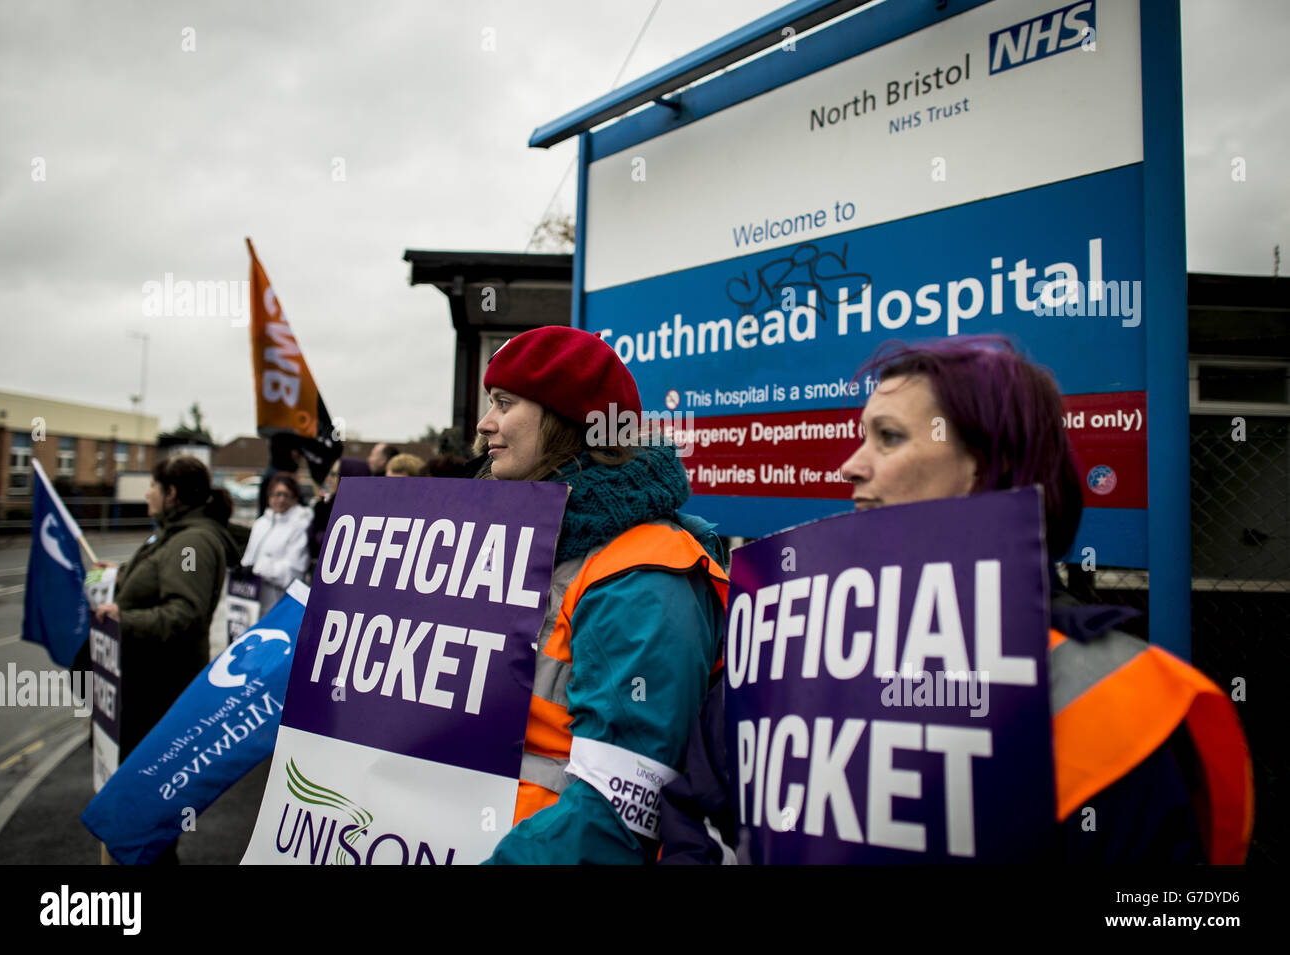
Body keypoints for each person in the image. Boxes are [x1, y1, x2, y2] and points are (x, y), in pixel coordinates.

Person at [659, 335, 1253, 865]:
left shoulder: (1117, 698)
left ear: (987, 465)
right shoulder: (781, 647)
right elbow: (699, 820)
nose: (849, 467)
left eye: (888, 437)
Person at [476, 325, 729, 865]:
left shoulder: (646, 575)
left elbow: (617, 813)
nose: (485, 424)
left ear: (566, 418)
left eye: (503, 403)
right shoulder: (526, 544)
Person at [94, 457, 238, 761]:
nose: (147, 494)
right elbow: (162, 573)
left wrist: (125, 619)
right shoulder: (177, 533)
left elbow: (185, 612)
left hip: (160, 690)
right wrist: (120, 575)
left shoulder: (191, 543)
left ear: (171, 493)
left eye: (152, 487)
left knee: (140, 779)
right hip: (149, 684)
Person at [239, 473, 312, 614]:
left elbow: (292, 573)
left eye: (286, 495)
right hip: (253, 603)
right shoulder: (261, 524)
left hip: (279, 607)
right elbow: (248, 558)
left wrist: (259, 568)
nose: (281, 499)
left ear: (295, 498)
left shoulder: (300, 526)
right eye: (277, 494)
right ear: (269, 497)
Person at [307, 456, 371, 564]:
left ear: (348, 476)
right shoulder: (325, 507)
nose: (328, 479)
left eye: (334, 475)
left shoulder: (366, 515)